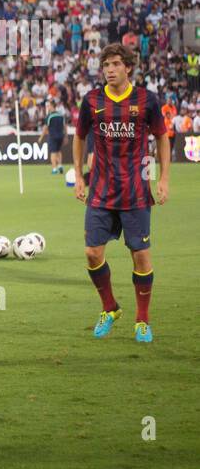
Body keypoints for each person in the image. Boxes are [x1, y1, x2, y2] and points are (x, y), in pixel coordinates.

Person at [72, 42, 170, 343]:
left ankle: (142, 320)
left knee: (140, 255)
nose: (110, 70)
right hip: (101, 189)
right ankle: (110, 307)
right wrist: (78, 175)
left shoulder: (146, 100)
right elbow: (79, 137)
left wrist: (164, 177)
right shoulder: (92, 101)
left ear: (128, 67)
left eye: (115, 64)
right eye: (106, 66)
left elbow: (162, 137)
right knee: (91, 253)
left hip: (136, 191)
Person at [39, 100, 67, 175]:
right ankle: (60, 166)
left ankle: (54, 169)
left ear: (52, 106)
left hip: (53, 136)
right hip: (61, 135)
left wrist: (41, 137)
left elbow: (45, 128)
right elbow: (65, 126)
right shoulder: (61, 115)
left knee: (53, 153)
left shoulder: (49, 116)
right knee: (58, 151)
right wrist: (66, 136)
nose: (48, 107)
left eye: (49, 106)